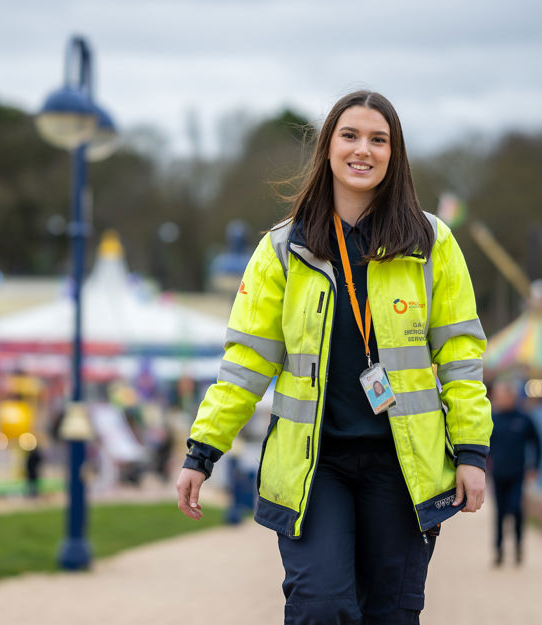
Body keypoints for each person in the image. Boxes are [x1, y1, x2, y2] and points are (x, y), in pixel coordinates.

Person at [176, 90, 492, 625]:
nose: (362, 149)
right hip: (315, 467)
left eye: (378, 139)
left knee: (391, 615)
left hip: (402, 467)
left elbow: (461, 356)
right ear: (328, 147)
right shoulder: (283, 249)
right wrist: (201, 451)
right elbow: (246, 363)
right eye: (350, 135)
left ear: (394, 154)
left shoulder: (430, 242)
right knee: (320, 608)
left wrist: (472, 452)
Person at [488, 377, 542, 566]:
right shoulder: (493, 419)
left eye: (504, 395)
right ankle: (499, 550)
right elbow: (484, 446)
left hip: (518, 474)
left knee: (516, 508)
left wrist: (535, 466)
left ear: (513, 396)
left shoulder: (524, 419)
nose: (500, 399)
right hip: (498, 474)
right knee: (500, 513)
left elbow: (537, 442)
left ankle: (518, 545)